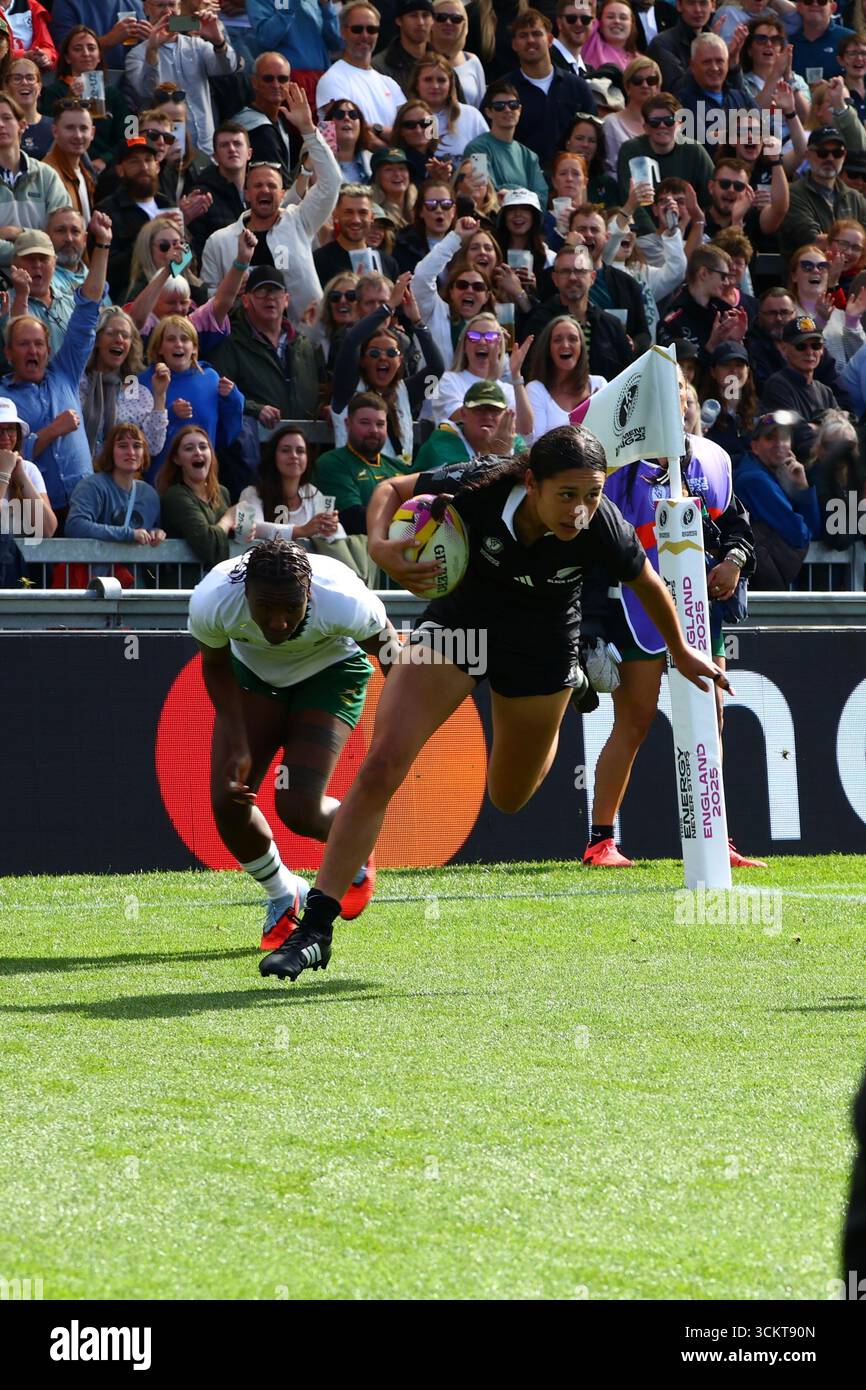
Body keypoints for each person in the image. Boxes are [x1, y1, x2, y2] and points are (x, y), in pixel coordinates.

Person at [259, 424, 729, 981]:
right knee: (384, 762)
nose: (580, 510)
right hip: (461, 629)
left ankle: (568, 686)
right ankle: (316, 928)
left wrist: (681, 649)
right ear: (531, 483)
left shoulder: (601, 524)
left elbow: (650, 583)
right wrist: (383, 547)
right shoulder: (480, 483)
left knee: (508, 796)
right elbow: (390, 491)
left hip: (545, 647)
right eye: (567, 495)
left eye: (592, 495)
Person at [581, 369, 761, 869]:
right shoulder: (618, 468)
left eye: (683, 400)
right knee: (634, 720)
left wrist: (734, 562)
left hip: (703, 612)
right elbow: (598, 547)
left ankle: (714, 836)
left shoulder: (712, 459)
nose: (677, 409)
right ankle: (600, 841)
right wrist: (591, 624)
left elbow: (738, 526)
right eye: (666, 401)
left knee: (712, 718)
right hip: (638, 610)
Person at [191, 537, 395, 955]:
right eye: (265, 607)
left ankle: (353, 843)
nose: (279, 621)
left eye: (291, 607)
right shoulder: (213, 597)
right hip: (253, 680)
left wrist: (403, 729)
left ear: (309, 593)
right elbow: (214, 664)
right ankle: (285, 894)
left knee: (298, 807)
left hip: (330, 674)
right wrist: (237, 739)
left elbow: (394, 656)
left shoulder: (342, 597)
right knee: (227, 803)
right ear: (244, 592)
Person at [1, 209, 112, 520]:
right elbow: (8, 456)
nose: (33, 350)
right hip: (36, 510)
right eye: (24, 344)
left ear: (49, 350)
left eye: (38, 344)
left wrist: (102, 246)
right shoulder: (4, 399)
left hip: (85, 506)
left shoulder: (64, 372)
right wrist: (50, 432)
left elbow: (87, 311)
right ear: (9, 354)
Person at [201, 86, 342, 325]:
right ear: (246, 192)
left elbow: (331, 181)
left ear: (283, 193)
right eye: (257, 186)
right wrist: (231, 289)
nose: (265, 190)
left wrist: (308, 129)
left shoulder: (300, 220)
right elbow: (205, 300)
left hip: (302, 337)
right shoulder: (219, 241)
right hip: (242, 343)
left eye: (271, 186)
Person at [330, 271, 445, 464]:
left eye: (391, 353)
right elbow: (351, 342)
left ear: (400, 360)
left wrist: (417, 321)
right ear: (363, 360)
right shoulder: (348, 388)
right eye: (374, 353)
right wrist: (389, 305)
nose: (383, 358)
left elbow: (436, 368)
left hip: (395, 486)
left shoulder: (404, 392)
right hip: (355, 482)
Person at [236, 425, 375, 583]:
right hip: (266, 582)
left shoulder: (314, 493)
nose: (294, 456)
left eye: (300, 451)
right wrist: (301, 531)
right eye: (285, 450)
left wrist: (332, 527)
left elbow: (335, 540)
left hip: (312, 584)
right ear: (273, 456)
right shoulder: (252, 493)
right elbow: (253, 528)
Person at [207, 264, 323, 433]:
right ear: (246, 300)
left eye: (276, 292)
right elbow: (217, 392)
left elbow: (320, 390)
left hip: (301, 449)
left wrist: (324, 408)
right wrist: (255, 409)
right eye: (261, 292)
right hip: (253, 450)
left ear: (286, 300)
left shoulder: (306, 346)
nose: (270, 298)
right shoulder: (229, 343)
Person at [125, 0, 239, 157]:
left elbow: (227, 68)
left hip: (206, 148)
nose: (167, 12)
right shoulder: (137, 55)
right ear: (146, 8)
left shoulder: (197, 45)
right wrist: (152, 49)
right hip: (167, 151)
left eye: (172, 5)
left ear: (180, 8)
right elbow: (145, 91)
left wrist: (218, 42)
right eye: (160, 5)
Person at [139, 315, 244, 479]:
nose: (178, 344)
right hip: (159, 482)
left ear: (194, 347)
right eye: (171, 339)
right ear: (159, 348)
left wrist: (234, 400)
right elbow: (137, 439)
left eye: (185, 339)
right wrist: (171, 415)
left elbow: (227, 436)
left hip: (201, 482)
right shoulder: (144, 381)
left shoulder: (210, 378)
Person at [520, 243, 634, 382]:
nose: (573, 277)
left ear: (592, 277)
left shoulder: (612, 325)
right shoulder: (539, 323)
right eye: (565, 271)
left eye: (580, 271)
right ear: (555, 279)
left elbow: (628, 377)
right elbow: (530, 372)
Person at [734, 409, 822, 586]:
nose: (779, 444)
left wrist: (802, 487)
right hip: (756, 591)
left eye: (784, 437)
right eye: (770, 438)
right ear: (755, 447)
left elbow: (812, 531)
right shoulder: (755, 480)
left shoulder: (774, 475)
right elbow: (800, 535)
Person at [504, 8, 595, 170]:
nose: (530, 40)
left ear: (550, 40)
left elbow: (594, 138)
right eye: (523, 35)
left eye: (537, 34)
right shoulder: (503, 92)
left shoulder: (578, 88)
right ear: (514, 44)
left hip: (570, 179)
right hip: (522, 182)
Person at [314, 390, 413, 536]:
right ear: (347, 424)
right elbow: (354, 519)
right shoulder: (332, 463)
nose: (374, 430)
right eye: (365, 423)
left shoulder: (399, 467)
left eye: (380, 424)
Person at [616, 92, 715, 235]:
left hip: (688, 233)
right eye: (655, 122)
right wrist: (654, 237)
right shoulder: (631, 150)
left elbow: (710, 198)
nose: (662, 126)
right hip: (645, 236)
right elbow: (631, 200)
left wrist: (690, 230)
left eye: (669, 121)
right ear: (646, 127)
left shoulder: (695, 151)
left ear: (679, 124)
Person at [80, 306, 169, 456]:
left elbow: (153, 447)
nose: (119, 340)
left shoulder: (133, 387)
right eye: (111, 333)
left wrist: (160, 396)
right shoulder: (79, 383)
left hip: (120, 476)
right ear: (96, 340)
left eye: (125, 336)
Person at [39, 25, 132, 170]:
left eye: (91, 48)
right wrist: (70, 98)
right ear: (67, 58)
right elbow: (48, 132)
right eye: (77, 49)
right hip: (65, 167)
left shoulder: (113, 94)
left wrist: (104, 160)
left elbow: (128, 135)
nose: (86, 53)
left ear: (99, 55)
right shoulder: (54, 91)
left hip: (105, 170)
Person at [95, 136, 175, 300]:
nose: (143, 167)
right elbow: (107, 270)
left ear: (157, 166)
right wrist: (148, 235)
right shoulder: (107, 210)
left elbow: (185, 260)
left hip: (173, 295)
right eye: (134, 162)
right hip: (129, 300)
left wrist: (182, 235)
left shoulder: (167, 203)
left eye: (148, 160)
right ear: (120, 170)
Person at [65, 421, 165, 550]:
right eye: (122, 446)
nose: (131, 452)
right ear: (110, 452)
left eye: (137, 446)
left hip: (133, 570)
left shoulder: (150, 494)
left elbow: (151, 527)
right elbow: (75, 526)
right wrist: (129, 534)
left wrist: (156, 533)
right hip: (97, 569)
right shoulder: (92, 486)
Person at [433, 310, 534, 437]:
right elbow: (466, 421)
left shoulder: (508, 389)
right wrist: (491, 378)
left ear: (499, 347)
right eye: (474, 336)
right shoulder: (448, 380)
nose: (482, 342)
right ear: (464, 346)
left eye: (490, 337)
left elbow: (526, 429)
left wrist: (516, 374)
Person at [0, 91, 70, 269]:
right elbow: (51, 240)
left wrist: (18, 233)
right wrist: (35, 249)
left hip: (47, 281)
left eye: (6, 118)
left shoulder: (47, 176)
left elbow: (65, 234)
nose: (0, 124)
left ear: (22, 125)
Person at [315, 2, 406, 137]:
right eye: (357, 29)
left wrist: (379, 132)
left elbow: (410, 129)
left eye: (371, 29)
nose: (365, 35)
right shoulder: (332, 80)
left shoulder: (390, 84)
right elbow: (348, 134)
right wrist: (395, 140)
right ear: (343, 31)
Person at [570, 202, 652, 350]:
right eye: (581, 229)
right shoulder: (555, 278)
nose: (588, 234)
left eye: (594, 230)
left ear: (607, 237)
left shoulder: (627, 283)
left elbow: (643, 334)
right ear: (569, 236)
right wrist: (572, 252)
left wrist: (634, 345)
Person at [779, 126, 866, 266]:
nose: (830, 158)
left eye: (837, 153)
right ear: (808, 154)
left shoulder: (855, 198)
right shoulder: (792, 194)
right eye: (822, 152)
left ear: (844, 156)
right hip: (807, 278)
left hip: (851, 279)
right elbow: (813, 240)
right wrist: (855, 246)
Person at [156, 423, 237, 565]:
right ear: (177, 459)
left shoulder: (222, 492)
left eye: (203, 447)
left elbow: (227, 539)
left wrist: (244, 530)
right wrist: (229, 519)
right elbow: (208, 543)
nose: (198, 452)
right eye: (189, 448)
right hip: (187, 584)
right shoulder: (175, 496)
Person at [462, 79, 548, 204]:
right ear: (489, 112)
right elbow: (485, 194)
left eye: (513, 105)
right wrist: (524, 193)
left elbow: (542, 198)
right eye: (499, 106)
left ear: (519, 109)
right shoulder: (477, 149)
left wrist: (508, 191)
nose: (507, 110)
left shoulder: (529, 156)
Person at [657, 245, 748, 361]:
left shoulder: (724, 313)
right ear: (703, 273)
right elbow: (676, 372)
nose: (727, 282)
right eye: (723, 276)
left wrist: (736, 342)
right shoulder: (673, 321)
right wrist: (711, 346)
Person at [524, 314, 605, 442]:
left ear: (582, 347)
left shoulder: (598, 384)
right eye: (557, 340)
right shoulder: (535, 389)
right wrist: (583, 415)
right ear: (548, 348)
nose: (565, 345)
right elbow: (536, 445)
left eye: (573, 339)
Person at [788, 241, 866, 370]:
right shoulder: (786, 312)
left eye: (822, 266)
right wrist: (821, 321)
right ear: (794, 276)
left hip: (839, 387)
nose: (816, 270)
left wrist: (852, 321)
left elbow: (858, 360)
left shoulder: (839, 315)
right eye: (807, 266)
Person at [244, 0, 341, 99]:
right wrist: (287, 6)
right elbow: (266, 38)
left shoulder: (315, 2)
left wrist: (326, 6)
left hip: (320, 82)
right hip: (283, 84)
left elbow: (337, 44)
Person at [412, 377, 516, 468]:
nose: (487, 416)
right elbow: (464, 484)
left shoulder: (516, 443)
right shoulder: (442, 444)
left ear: (505, 414)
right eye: (479, 409)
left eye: (494, 410)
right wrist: (499, 455)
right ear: (463, 413)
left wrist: (506, 452)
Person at [0, 396, 56, 565]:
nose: (5, 436)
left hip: (20, 570)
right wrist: (4, 474)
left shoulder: (28, 469)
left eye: (10, 429)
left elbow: (47, 529)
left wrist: (21, 475)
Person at [404, 51, 488, 162]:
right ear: (416, 83)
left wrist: (476, 177)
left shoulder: (471, 116)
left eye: (441, 80)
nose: (435, 86)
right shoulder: (406, 117)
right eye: (428, 80)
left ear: (451, 84)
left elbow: (484, 158)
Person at [2, 229, 74, 357]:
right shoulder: (4, 304)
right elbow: (17, 357)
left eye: (43, 259)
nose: (37, 265)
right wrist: (21, 296)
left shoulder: (71, 302)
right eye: (29, 259)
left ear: (54, 263)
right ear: (14, 263)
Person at [312, 182, 400, 286]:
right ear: (335, 215)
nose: (356, 220)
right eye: (348, 212)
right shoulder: (318, 261)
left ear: (371, 217)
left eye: (363, 213)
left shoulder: (388, 263)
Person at [230, 51, 300, 180]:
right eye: (268, 79)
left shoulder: (281, 119)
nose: (276, 85)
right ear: (254, 82)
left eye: (282, 79)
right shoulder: (260, 130)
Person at [185, 122, 249, 261]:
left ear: (249, 153)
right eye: (224, 145)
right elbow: (195, 250)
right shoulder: (201, 196)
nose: (232, 149)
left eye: (237, 144)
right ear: (215, 156)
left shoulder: (259, 190)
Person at [761, 312, 841, 415]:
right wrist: (825, 424)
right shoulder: (777, 385)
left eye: (816, 346)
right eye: (801, 346)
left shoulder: (825, 392)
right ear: (784, 349)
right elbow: (797, 429)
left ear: (822, 350)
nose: (809, 352)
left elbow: (842, 424)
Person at [699, 339, 758, 467]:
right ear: (713, 372)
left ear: (747, 371)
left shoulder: (759, 410)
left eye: (739, 365)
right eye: (726, 365)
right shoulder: (702, 412)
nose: (733, 371)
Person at [601, 56, 664, 177]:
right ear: (627, 87)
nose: (645, 85)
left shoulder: (667, 124)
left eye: (651, 80)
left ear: (658, 87)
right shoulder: (611, 123)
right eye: (637, 80)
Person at [41, 97, 96, 220]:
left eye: (83, 128)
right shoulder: (46, 174)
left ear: (92, 133)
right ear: (55, 131)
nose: (78, 135)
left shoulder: (85, 173)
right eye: (70, 128)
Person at [647, 0, 715, 90]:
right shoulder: (662, 44)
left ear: (713, 5)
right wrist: (703, 54)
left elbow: (734, 90)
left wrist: (733, 64)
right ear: (679, 5)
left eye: (703, 3)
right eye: (691, 3)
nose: (698, 10)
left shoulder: (716, 41)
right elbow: (678, 90)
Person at [430, 0, 486, 108]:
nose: (448, 22)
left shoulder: (472, 61)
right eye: (441, 17)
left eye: (456, 19)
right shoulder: (420, 60)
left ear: (464, 25)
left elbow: (482, 106)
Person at [373, 0, 434, 86]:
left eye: (425, 15)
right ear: (399, 21)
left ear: (433, 21)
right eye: (413, 16)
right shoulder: (380, 67)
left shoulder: (442, 62)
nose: (420, 22)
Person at [563, 114, 619, 207]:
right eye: (579, 138)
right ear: (567, 143)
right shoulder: (549, 179)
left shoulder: (608, 184)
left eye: (592, 141)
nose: (585, 144)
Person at [791, 0, 854, 80]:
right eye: (808, 1)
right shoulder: (786, 41)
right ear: (799, 6)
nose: (815, 3)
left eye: (822, 1)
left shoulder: (850, 39)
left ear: (833, 7)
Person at [7, 56, 53, 159]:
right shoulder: (2, 127)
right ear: (7, 87)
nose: (24, 82)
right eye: (17, 78)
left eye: (30, 78)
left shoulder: (55, 127)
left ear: (40, 87)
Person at [322, 98, 373, 184]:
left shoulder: (372, 161)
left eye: (353, 115)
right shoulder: (317, 161)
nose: (346, 118)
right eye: (339, 115)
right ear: (329, 124)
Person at [581, 0, 640, 71]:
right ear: (600, 23)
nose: (617, 21)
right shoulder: (591, 42)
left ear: (632, 24)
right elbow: (579, 8)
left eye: (623, 18)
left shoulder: (640, 61)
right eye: (610, 17)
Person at [551, 0, 595, 75]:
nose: (579, 24)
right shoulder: (545, 58)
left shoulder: (589, 71)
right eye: (571, 19)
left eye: (585, 19)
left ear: (593, 24)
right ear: (559, 23)